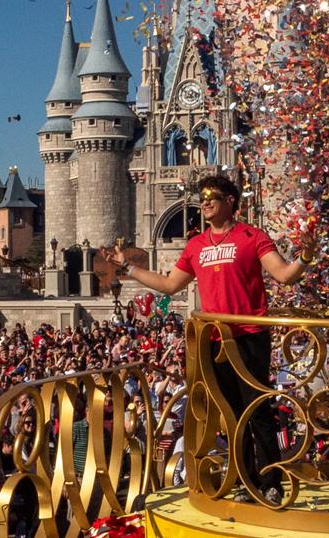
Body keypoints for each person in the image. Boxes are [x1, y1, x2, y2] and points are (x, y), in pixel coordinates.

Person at [105, 173, 310, 506]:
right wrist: (128, 267)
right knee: (231, 414)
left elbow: (284, 275)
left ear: (230, 200)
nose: (205, 201)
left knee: (256, 411)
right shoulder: (197, 245)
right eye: (202, 196)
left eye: (212, 195)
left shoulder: (251, 236)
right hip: (215, 341)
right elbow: (170, 285)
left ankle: (271, 481)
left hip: (249, 337)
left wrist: (306, 258)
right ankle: (245, 480)